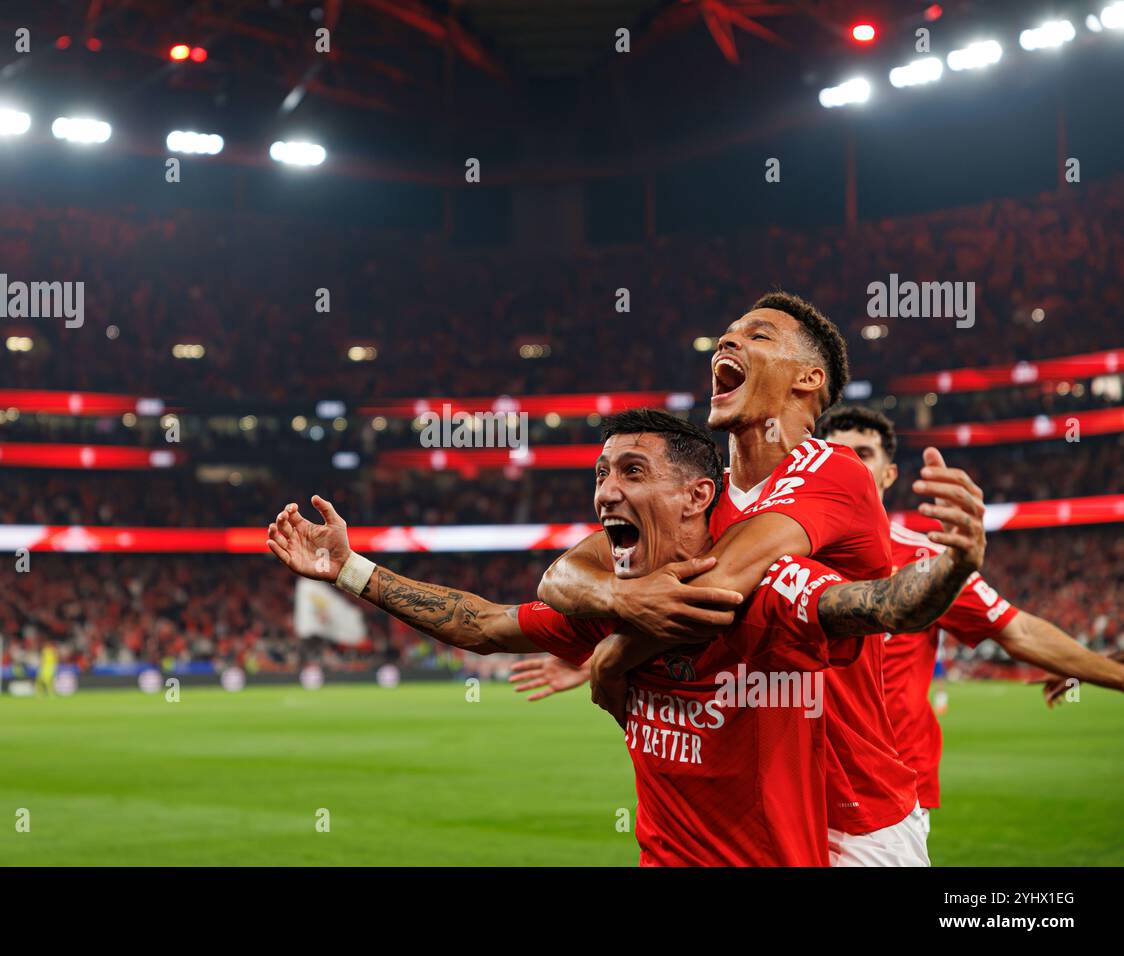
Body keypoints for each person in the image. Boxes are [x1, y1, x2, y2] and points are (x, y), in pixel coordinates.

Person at [267, 409, 986, 865]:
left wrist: (953, 564)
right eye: (602, 473)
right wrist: (351, 569)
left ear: (697, 494)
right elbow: (482, 623)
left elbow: (880, 604)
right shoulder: (608, 599)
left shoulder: (771, 590)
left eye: (631, 472)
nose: (605, 490)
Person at [538, 293, 969, 865]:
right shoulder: (704, 493)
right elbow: (561, 575)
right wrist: (617, 597)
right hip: (756, 812)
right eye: (728, 333)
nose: (728, 341)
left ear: (809, 378)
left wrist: (614, 652)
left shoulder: (830, 469)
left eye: (759, 335)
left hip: (854, 816)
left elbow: (721, 586)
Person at [814, 404, 1124, 826]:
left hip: (885, 794)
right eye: (837, 454)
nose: (850, 465)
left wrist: (1101, 672)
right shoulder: (781, 551)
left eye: (864, 454)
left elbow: (1019, 631)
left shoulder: (926, 559)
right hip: (796, 784)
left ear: (888, 476)